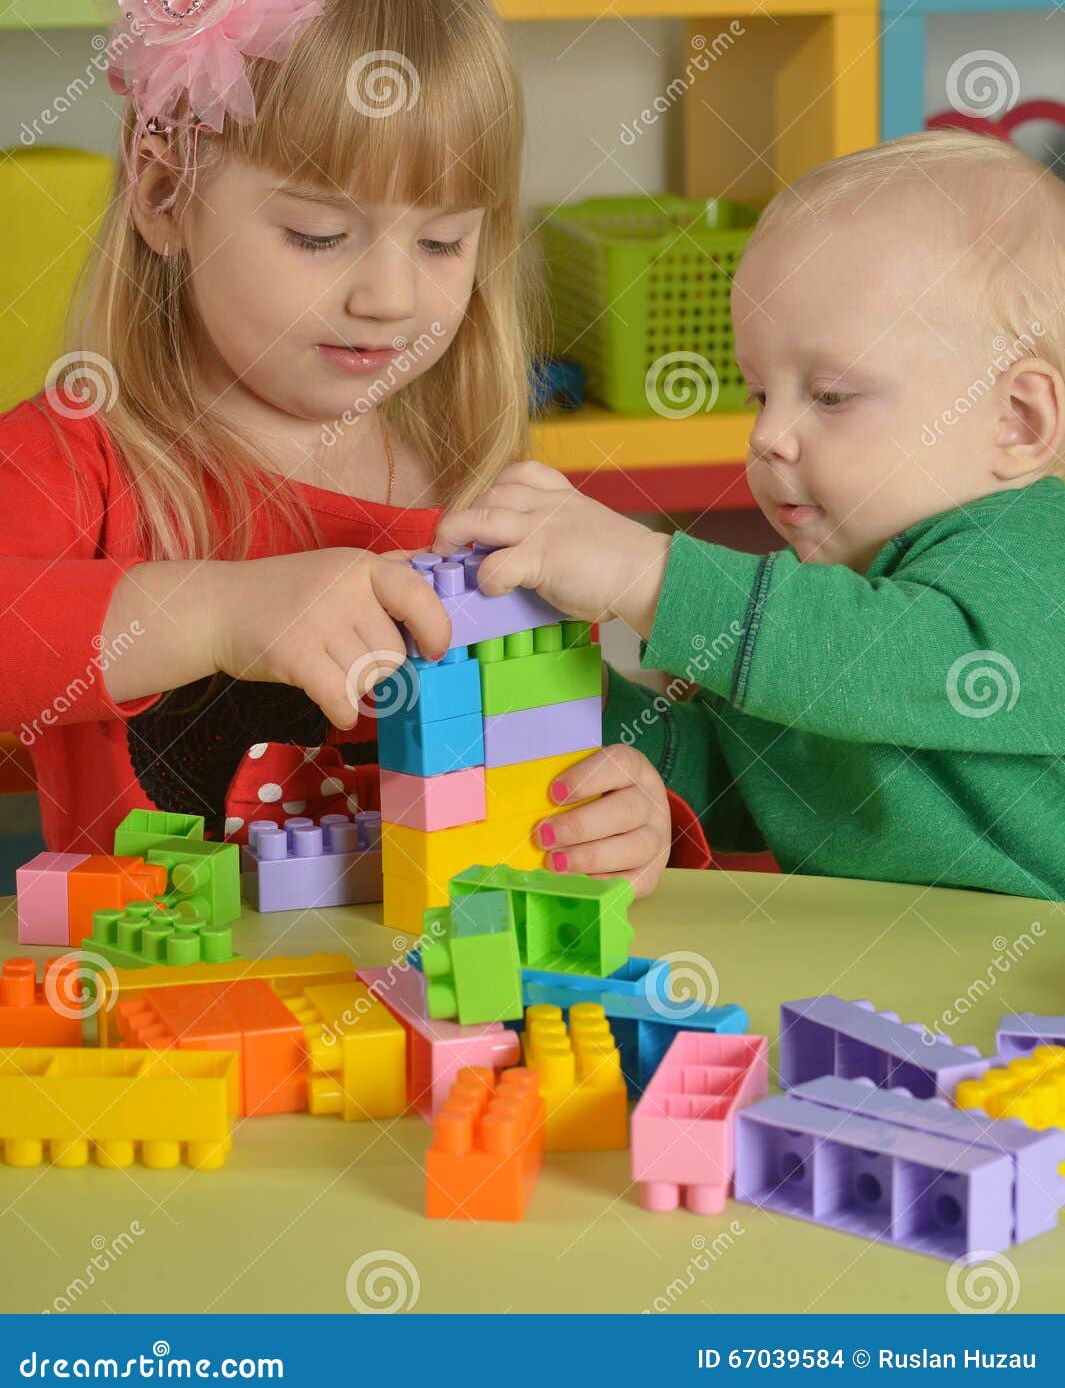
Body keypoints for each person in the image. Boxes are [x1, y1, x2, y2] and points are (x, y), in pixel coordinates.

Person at [1, 0, 687, 893]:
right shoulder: (72, 456)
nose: (391, 295)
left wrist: (633, 820)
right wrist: (218, 612)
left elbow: (566, 754)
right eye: (319, 234)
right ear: (161, 192)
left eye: (447, 240)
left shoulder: (485, 498)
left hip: (440, 1024)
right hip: (164, 1021)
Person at [439, 130, 1065, 899]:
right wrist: (568, 695)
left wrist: (643, 570)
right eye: (758, 393)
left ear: (1018, 421)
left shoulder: (1037, 555)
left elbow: (898, 655)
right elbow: (735, 777)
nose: (767, 437)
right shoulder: (814, 632)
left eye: (830, 396)